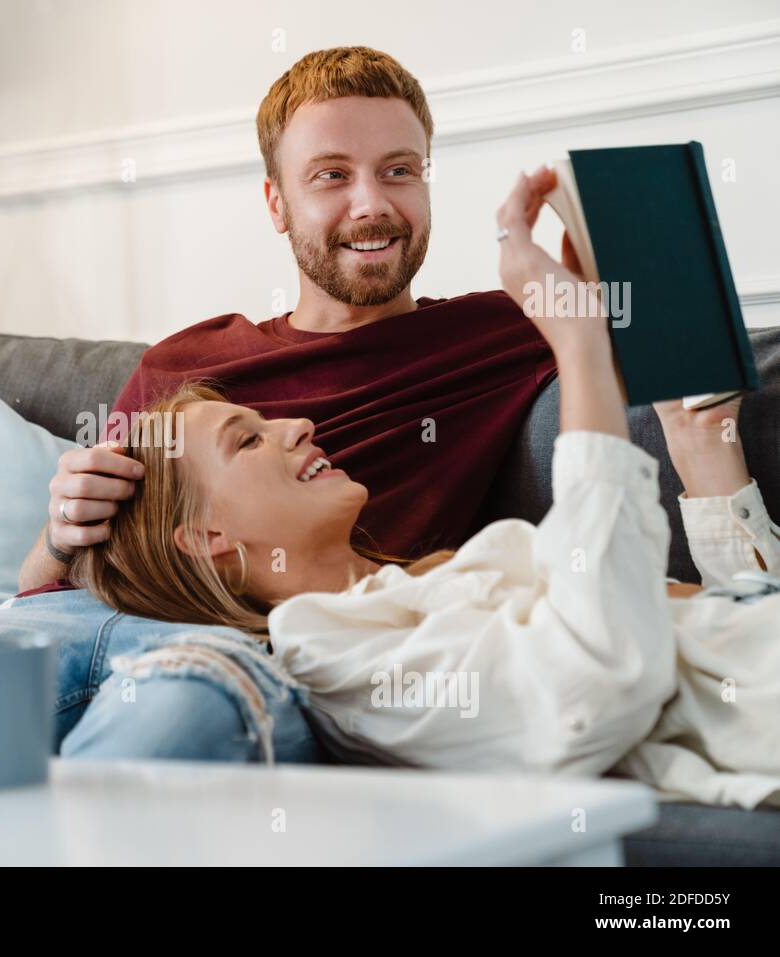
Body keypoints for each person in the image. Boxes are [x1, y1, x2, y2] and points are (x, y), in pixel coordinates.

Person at [66, 165, 780, 809]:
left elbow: (737, 618)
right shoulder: (330, 654)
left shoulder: (425, 578)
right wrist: (580, 347)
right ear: (208, 537)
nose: (300, 425)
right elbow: (593, 689)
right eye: (248, 438)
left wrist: (697, 439)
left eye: (402, 170)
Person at [19, 45, 557, 595]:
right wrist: (61, 534)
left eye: (399, 170)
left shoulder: (502, 331)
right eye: (331, 175)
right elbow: (46, 599)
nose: (371, 204)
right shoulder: (179, 369)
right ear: (277, 205)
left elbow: (630, 325)